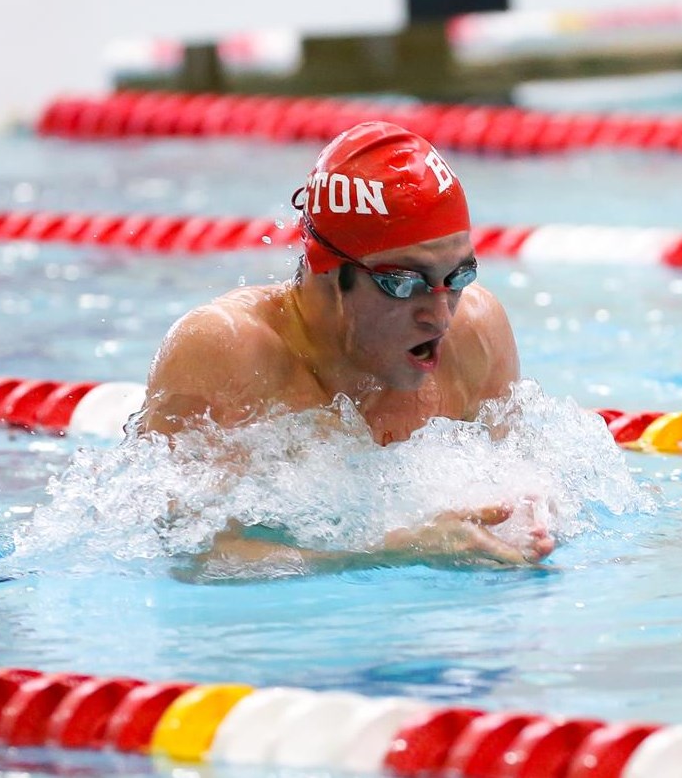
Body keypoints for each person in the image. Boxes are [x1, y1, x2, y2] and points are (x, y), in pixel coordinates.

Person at [136, 121, 554, 574]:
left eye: (459, 276)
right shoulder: (226, 353)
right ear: (328, 274)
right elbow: (188, 554)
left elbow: (523, 481)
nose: (440, 315)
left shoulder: (475, 332)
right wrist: (384, 553)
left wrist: (534, 518)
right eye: (404, 282)